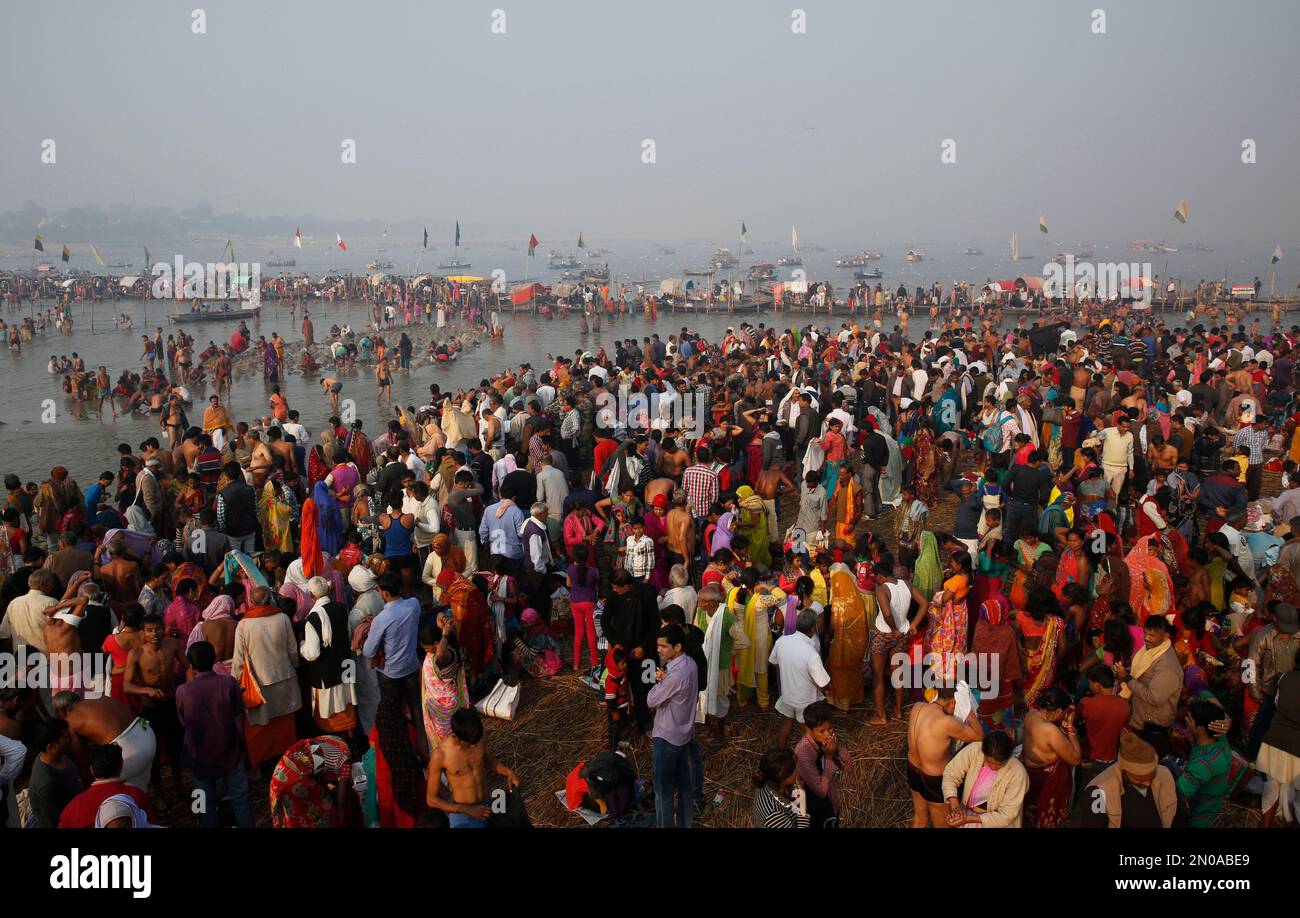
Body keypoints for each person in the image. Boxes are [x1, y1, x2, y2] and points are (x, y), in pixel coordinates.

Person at [174, 641, 255, 828]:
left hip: (199, 755)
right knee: (240, 798)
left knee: (203, 803)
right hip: (229, 749)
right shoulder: (228, 683)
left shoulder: (183, 691)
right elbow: (238, 711)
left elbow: (183, 720)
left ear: (191, 667)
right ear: (214, 660)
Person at [230, 586, 301, 768]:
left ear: (251, 601)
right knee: (284, 722)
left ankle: (257, 767)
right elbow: (293, 650)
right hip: (284, 677)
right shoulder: (283, 618)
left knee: (258, 727)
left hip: (258, 682)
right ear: (270, 599)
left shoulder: (244, 624)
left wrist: (235, 681)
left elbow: (238, 659)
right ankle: (287, 763)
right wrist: (295, 667)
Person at [425, 707, 521, 828]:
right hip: (464, 812)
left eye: (476, 741)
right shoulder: (440, 755)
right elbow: (431, 799)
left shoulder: (478, 736)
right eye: (470, 743)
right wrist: (468, 810)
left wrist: (508, 772)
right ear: (456, 736)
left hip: (488, 803)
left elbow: (490, 762)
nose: (474, 745)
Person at [1071, 733, 1189, 828]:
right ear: (1123, 769)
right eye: (1139, 778)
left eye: (1151, 776)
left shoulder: (1164, 774)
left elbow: (1178, 815)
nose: (1147, 783)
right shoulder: (1099, 791)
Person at [906, 685, 983, 828]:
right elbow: (979, 737)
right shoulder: (947, 722)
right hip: (933, 779)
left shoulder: (918, 706)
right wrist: (969, 713)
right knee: (942, 825)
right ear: (952, 702)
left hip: (912, 769)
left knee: (919, 819)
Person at [647, 624, 699, 828]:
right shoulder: (690, 665)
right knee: (684, 786)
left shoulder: (675, 676)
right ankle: (686, 823)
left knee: (663, 792)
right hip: (683, 734)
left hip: (667, 736)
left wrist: (660, 683)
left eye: (663, 646)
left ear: (677, 647)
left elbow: (651, 700)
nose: (659, 650)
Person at [53, 691, 156, 792]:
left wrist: (89, 790)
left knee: (107, 790)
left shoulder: (70, 721)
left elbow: (82, 763)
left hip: (129, 749)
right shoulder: (95, 696)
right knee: (138, 788)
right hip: (145, 730)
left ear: (60, 711)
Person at [1020, 687, 1083, 828]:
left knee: (1029, 814)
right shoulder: (1050, 731)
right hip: (1045, 780)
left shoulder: (1031, 714)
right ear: (1059, 711)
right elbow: (1076, 759)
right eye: (1064, 713)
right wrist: (1071, 729)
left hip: (1028, 770)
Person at [940, 730, 1029, 828]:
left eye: (999, 764)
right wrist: (955, 804)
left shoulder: (1018, 773)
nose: (993, 767)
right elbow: (951, 773)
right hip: (967, 815)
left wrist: (969, 819)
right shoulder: (974, 750)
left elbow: (1007, 815)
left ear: (1008, 757)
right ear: (983, 752)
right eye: (988, 762)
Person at [769, 609, 831, 748]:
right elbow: (824, 683)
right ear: (812, 629)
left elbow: (773, 662)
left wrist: (788, 670)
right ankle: (814, 762)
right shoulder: (811, 653)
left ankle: (781, 754)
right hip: (805, 702)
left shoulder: (782, 641)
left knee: (786, 727)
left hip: (787, 695)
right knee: (810, 736)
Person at [57, 742, 154, 829]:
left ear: (91, 770)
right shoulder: (135, 796)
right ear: (121, 766)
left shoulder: (74, 806)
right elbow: (150, 823)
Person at [794, 701, 854, 828]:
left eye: (830, 728)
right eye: (822, 731)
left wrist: (838, 747)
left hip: (831, 802)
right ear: (808, 729)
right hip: (814, 810)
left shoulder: (826, 742)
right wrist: (829, 758)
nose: (828, 734)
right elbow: (821, 791)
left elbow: (849, 768)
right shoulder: (803, 753)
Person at [25, 719, 82, 828]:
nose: (71, 738)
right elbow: (54, 822)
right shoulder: (46, 783)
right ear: (51, 747)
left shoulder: (56, 755)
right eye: (66, 737)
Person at [752, 746, 810, 829]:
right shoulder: (773, 816)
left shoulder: (770, 780)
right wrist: (802, 805)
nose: (797, 770)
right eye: (794, 769)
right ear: (783, 777)